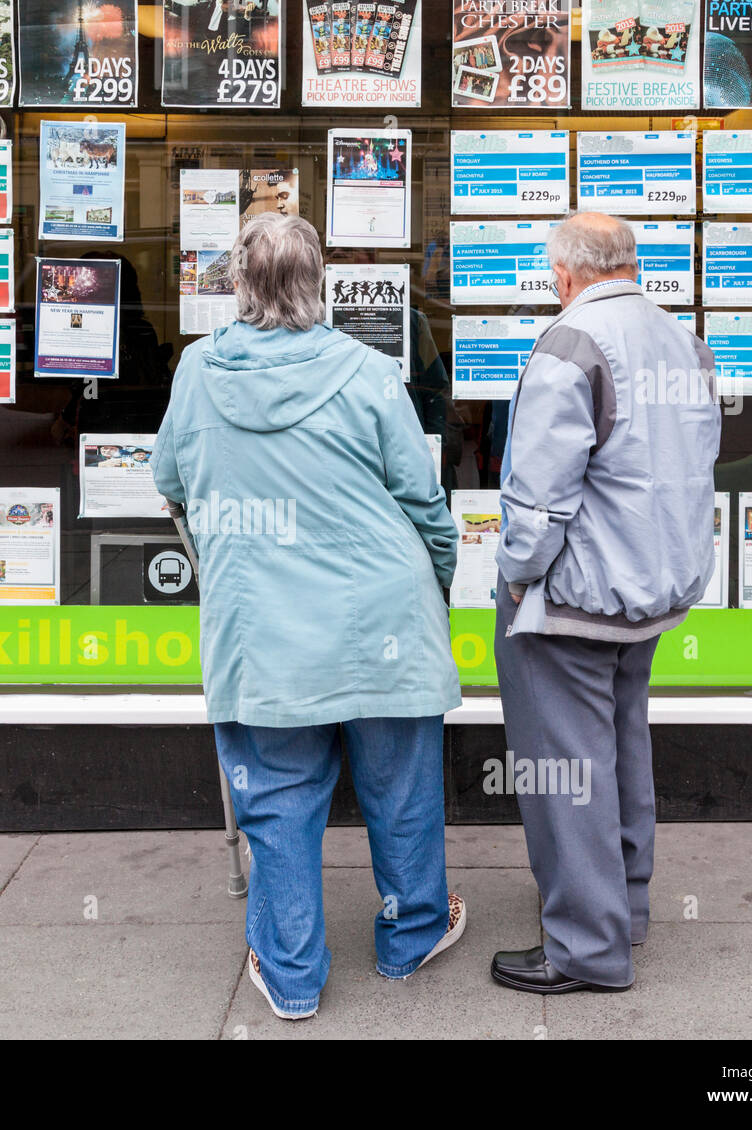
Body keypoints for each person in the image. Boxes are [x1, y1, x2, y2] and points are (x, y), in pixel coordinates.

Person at [152, 214, 465, 1021]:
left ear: (238, 285)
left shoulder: (196, 372)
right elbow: (422, 499)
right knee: (399, 786)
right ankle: (411, 935)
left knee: (279, 798)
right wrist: (437, 582)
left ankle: (292, 976)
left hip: (263, 630)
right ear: (316, 281)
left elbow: (171, 481)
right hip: (381, 615)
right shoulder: (365, 370)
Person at [490, 212, 721, 994]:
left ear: (564, 273)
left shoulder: (572, 343)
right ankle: (626, 906)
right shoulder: (683, 344)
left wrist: (519, 575)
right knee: (622, 748)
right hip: (652, 589)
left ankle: (587, 949)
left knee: (564, 768)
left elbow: (539, 495)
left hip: (577, 595)